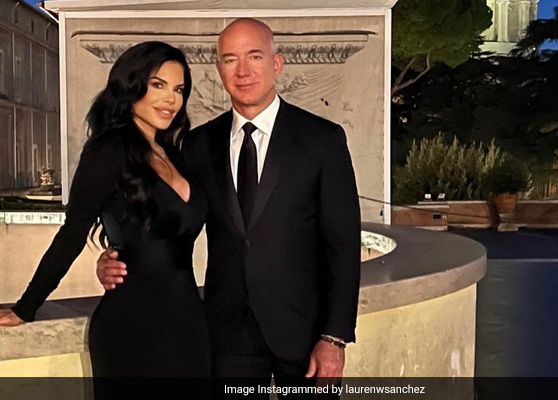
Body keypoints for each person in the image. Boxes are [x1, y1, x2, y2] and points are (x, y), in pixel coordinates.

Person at [98, 18, 361, 396]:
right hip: (227, 334)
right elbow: (166, 218)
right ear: (219, 68)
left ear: (277, 64)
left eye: (254, 56)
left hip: (305, 333)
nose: (242, 71)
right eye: (230, 59)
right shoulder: (197, 145)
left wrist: (334, 337)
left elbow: (343, 245)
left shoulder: (322, 140)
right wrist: (118, 254)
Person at [0, 42, 211, 381]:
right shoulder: (107, 151)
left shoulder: (175, 153)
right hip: (132, 327)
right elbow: (72, 233)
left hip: (189, 324)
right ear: (131, 85)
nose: (171, 99)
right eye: (158, 85)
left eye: (179, 89)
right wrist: (27, 307)